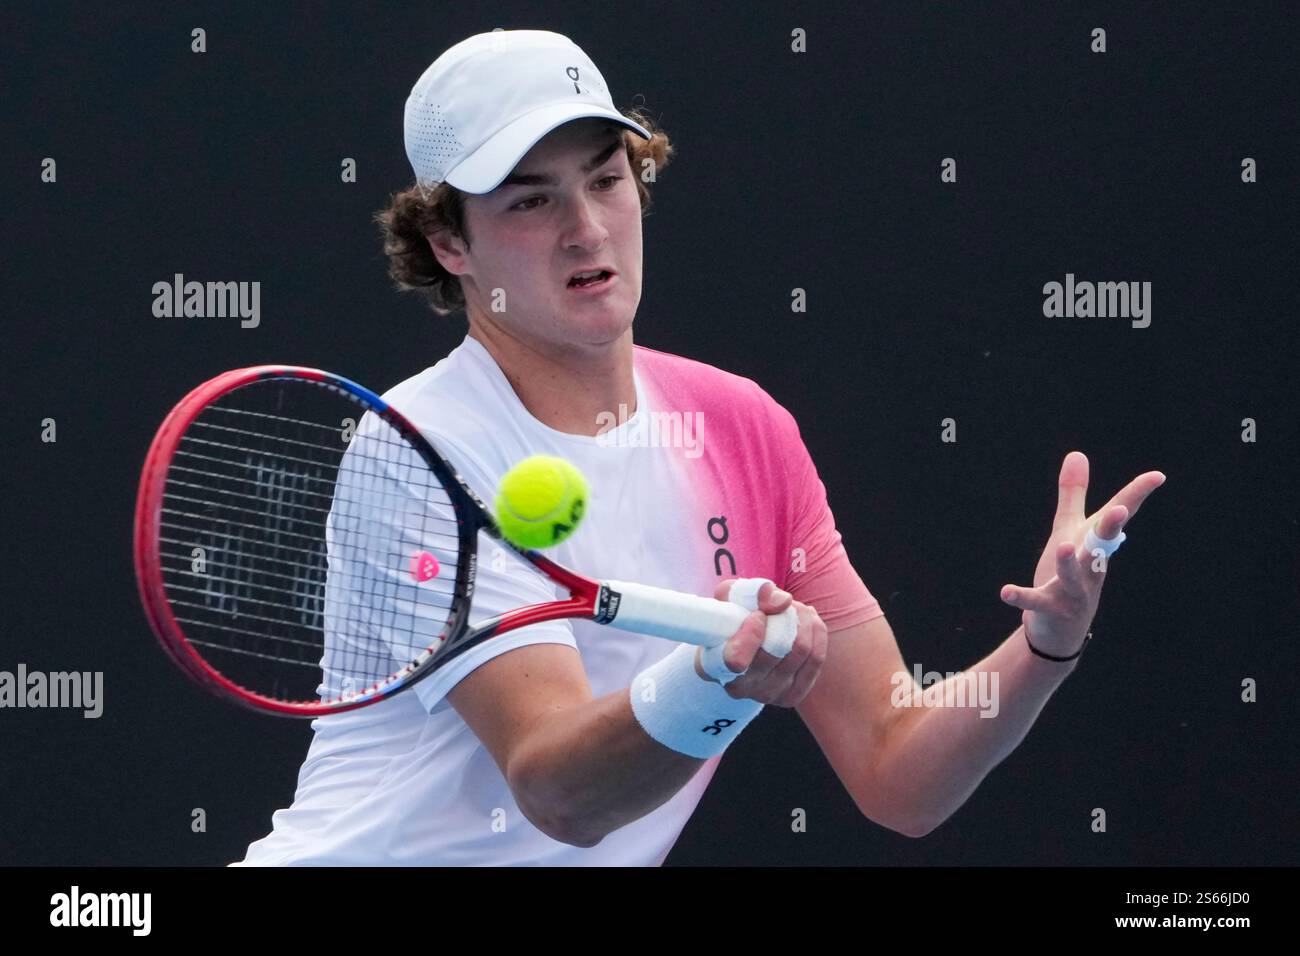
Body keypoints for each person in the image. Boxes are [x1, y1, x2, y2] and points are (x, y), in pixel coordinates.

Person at [236, 29, 1164, 866]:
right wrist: (715, 681)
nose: (587, 228)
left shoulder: (740, 427)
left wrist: (1043, 647)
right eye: (530, 201)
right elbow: (558, 790)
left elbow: (895, 769)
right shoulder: (422, 448)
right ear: (448, 243)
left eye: (605, 179)